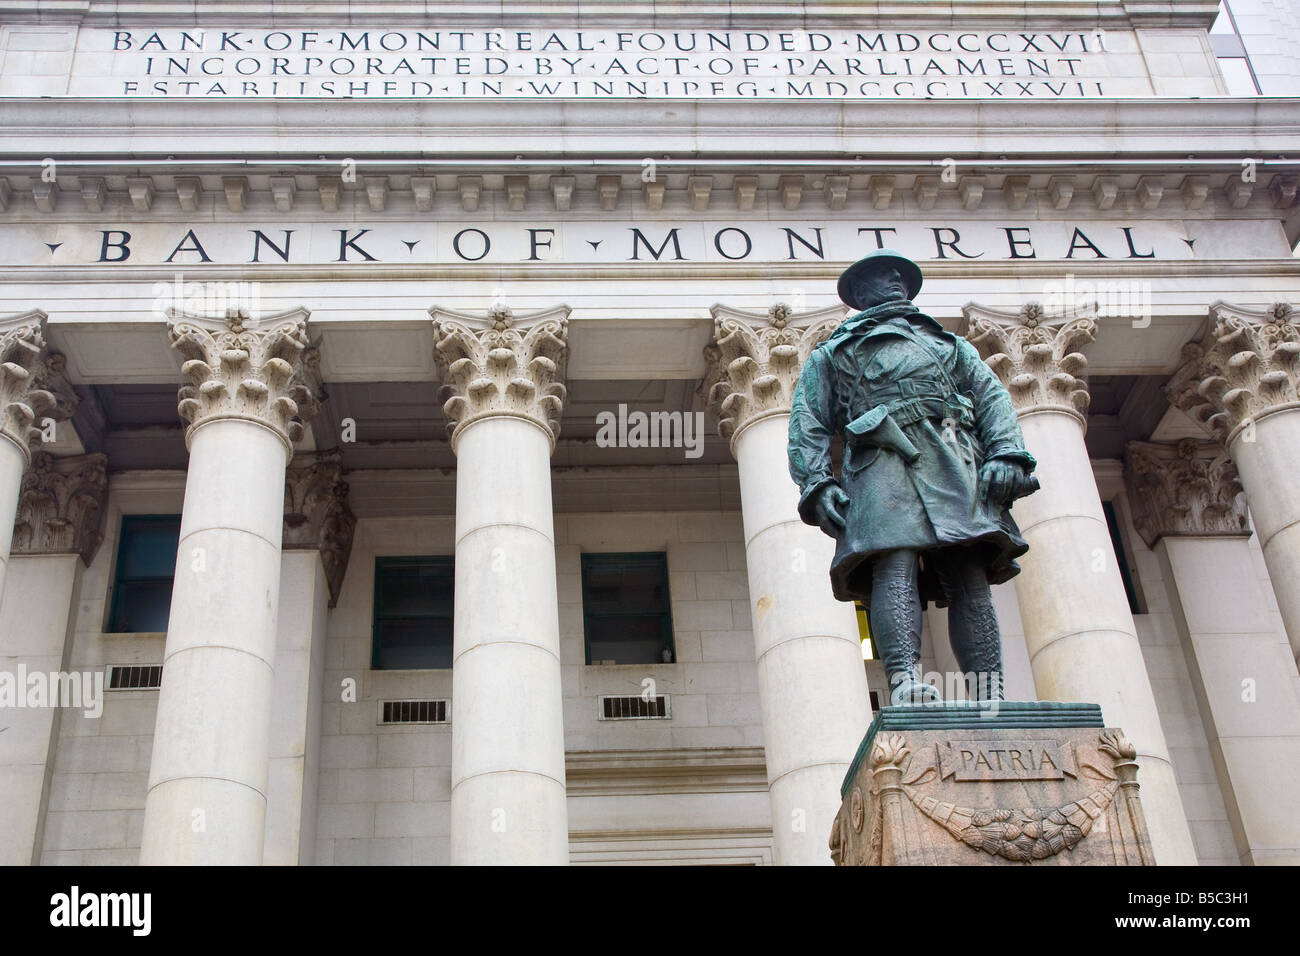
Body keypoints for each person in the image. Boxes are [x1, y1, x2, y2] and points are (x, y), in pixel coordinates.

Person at [787, 249, 1039, 704]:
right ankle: (904, 680)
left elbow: (991, 398)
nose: (892, 284)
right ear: (860, 295)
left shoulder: (951, 346)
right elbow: (809, 422)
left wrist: (1006, 453)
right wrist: (816, 482)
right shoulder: (831, 355)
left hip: (953, 456)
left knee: (969, 572)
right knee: (894, 561)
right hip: (881, 461)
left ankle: (990, 696)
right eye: (879, 279)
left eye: (897, 277)